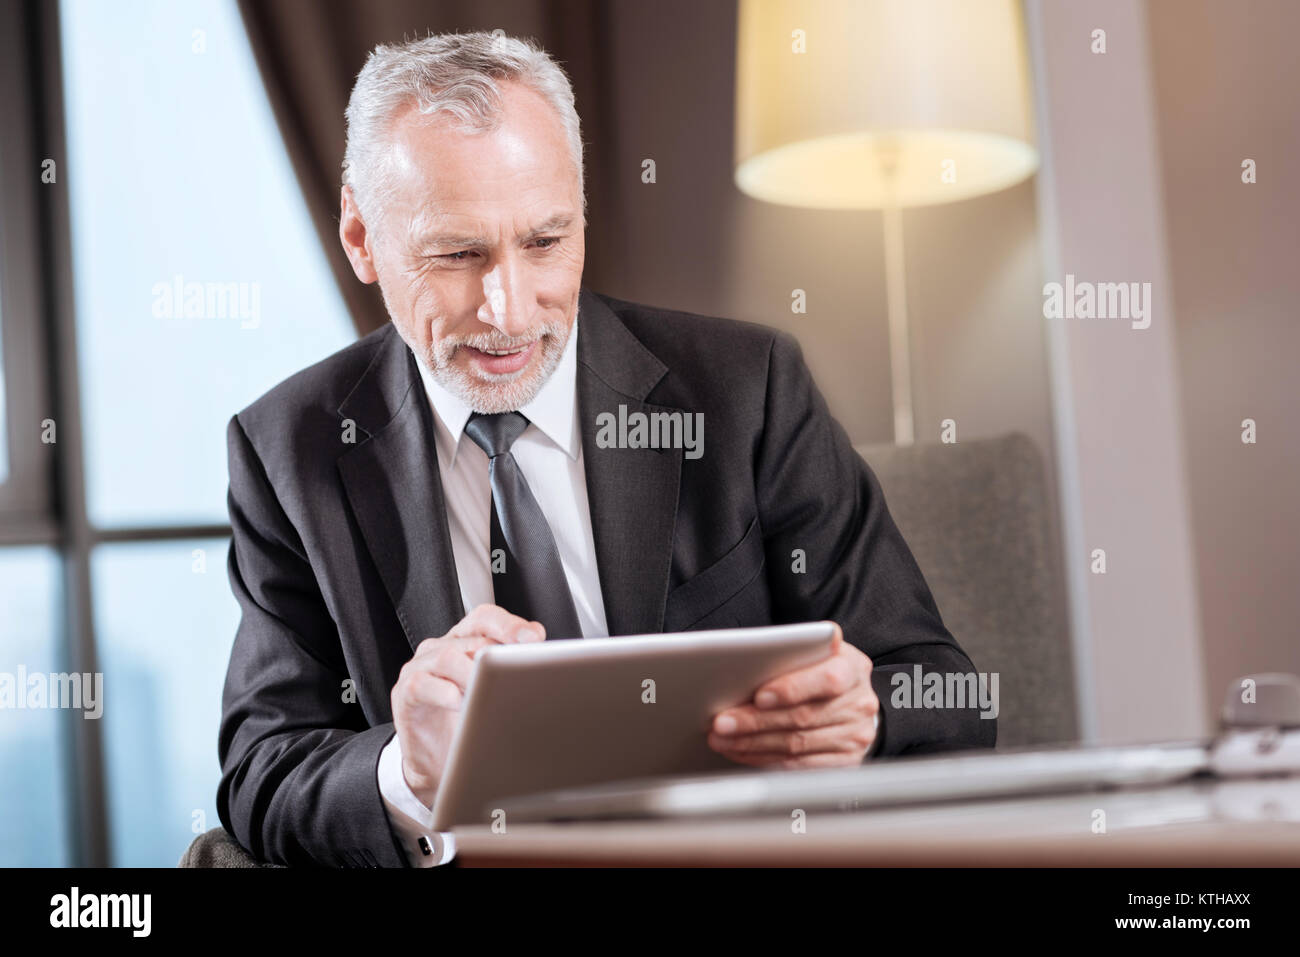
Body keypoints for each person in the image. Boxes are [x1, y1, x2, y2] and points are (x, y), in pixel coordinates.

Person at [217, 31, 995, 868]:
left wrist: (865, 718)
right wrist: (407, 772)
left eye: (546, 242)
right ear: (362, 237)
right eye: (457, 253)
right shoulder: (288, 450)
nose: (510, 310)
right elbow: (263, 769)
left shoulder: (746, 391)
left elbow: (946, 692)